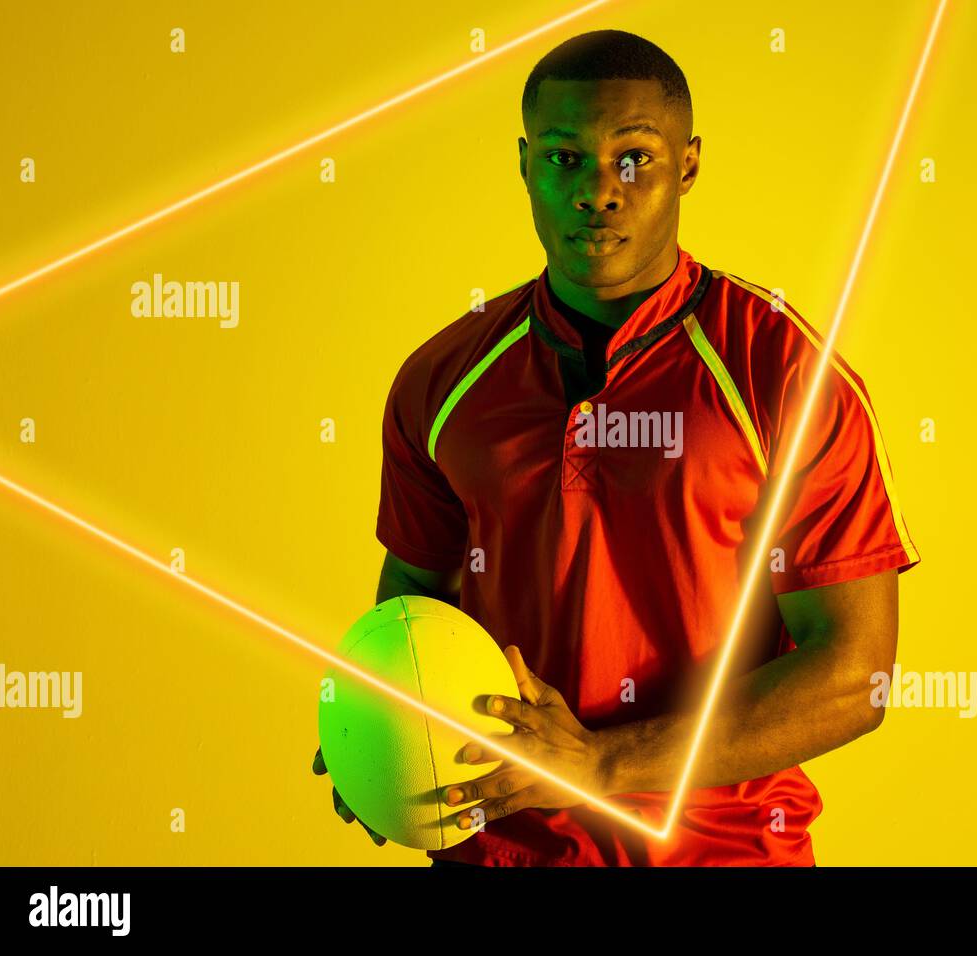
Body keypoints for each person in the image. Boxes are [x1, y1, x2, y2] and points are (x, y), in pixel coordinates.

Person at [313, 28, 920, 867]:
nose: (599, 191)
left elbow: (855, 676)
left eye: (633, 157)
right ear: (524, 165)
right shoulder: (442, 377)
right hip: (497, 850)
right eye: (564, 159)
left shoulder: (785, 376)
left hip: (725, 853)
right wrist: (376, 721)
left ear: (690, 164)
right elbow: (416, 594)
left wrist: (602, 763)